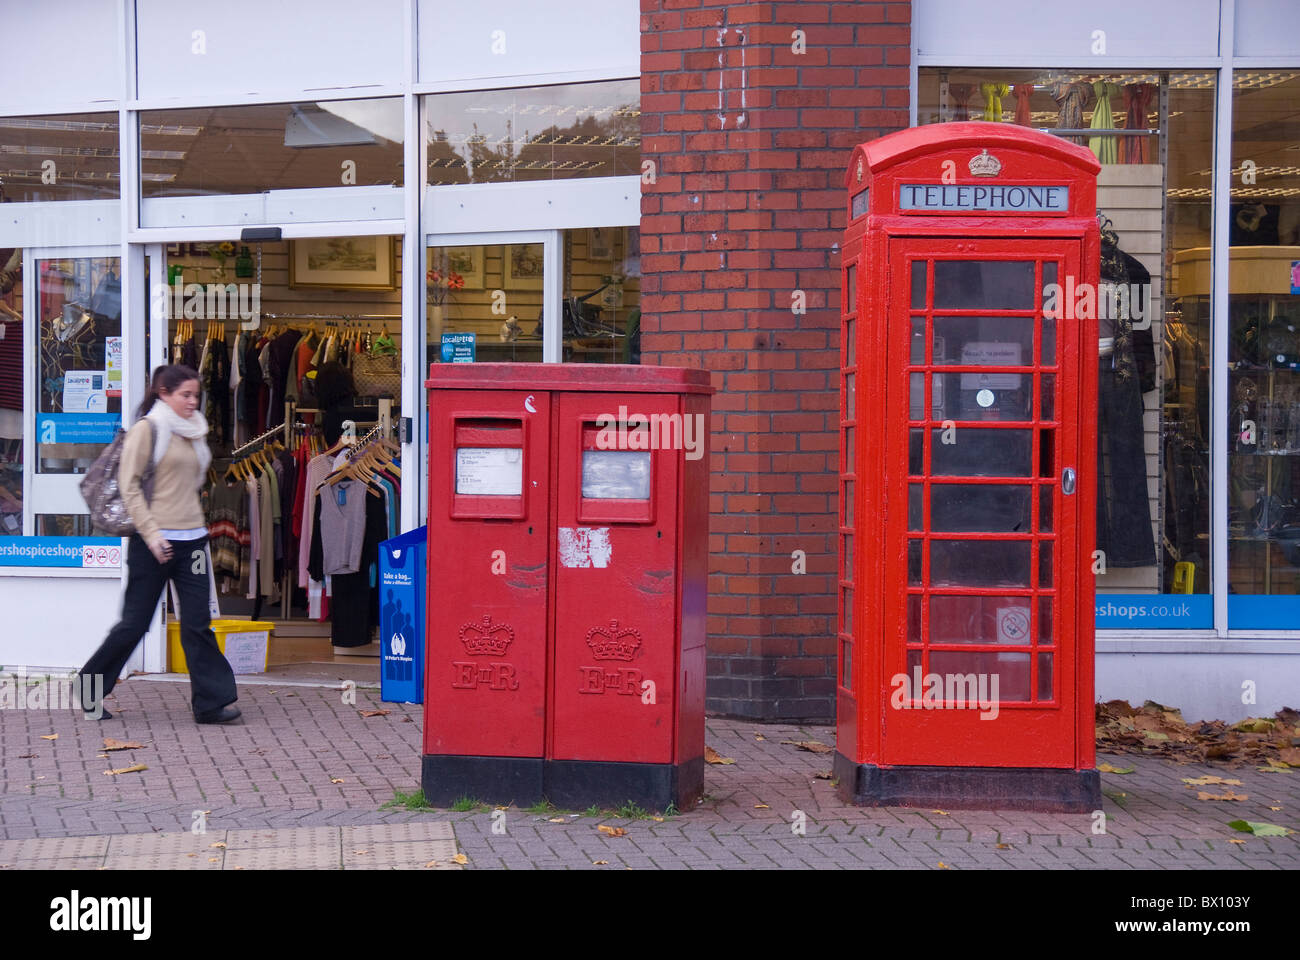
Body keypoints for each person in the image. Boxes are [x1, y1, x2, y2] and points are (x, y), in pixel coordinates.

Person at [79, 364, 240, 724]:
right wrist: (152, 534)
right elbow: (129, 485)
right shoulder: (147, 429)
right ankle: (89, 688)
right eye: (185, 394)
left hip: (193, 540)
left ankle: (211, 704)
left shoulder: (195, 431)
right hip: (152, 541)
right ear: (163, 393)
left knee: (197, 623)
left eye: (196, 395)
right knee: (135, 624)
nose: (192, 401)